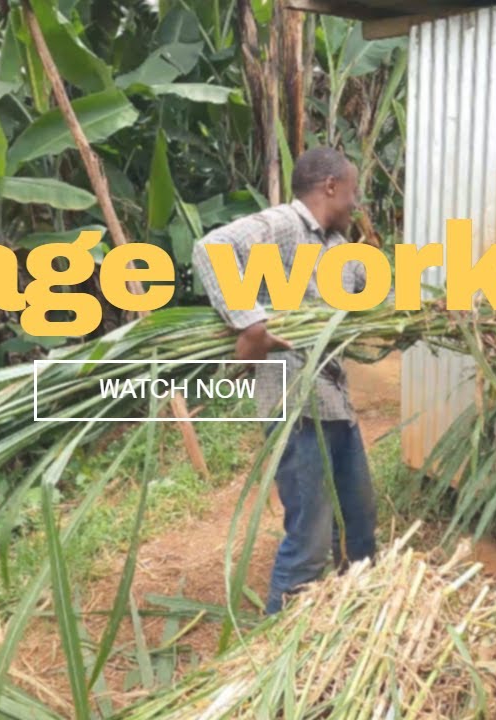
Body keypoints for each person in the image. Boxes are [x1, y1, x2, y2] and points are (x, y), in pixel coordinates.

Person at [192, 146, 377, 615]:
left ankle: (361, 623)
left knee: (358, 526)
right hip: (295, 407)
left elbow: (371, 297)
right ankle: (274, 657)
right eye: (352, 191)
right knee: (311, 542)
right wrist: (250, 323)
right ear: (330, 186)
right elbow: (212, 248)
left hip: (335, 404)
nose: (355, 203)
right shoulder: (285, 226)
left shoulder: (336, 248)